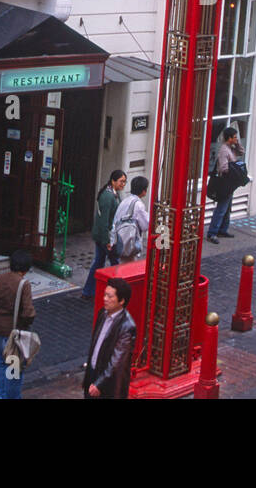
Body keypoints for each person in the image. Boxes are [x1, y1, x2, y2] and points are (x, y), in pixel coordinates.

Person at [0, 249, 36, 400]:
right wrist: (24, 324)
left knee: (1, 363)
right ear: (26, 268)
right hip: (13, 335)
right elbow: (28, 313)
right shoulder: (23, 284)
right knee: (14, 371)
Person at [83, 278, 137, 399]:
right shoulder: (102, 313)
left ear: (121, 300)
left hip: (108, 383)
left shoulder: (127, 326)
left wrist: (99, 384)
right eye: (105, 295)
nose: (105, 299)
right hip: (93, 372)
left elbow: (116, 362)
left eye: (110, 296)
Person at [82, 170, 126, 299]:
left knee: (99, 262)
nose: (123, 184)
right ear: (113, 181)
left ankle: (88, 291)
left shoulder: (113, 193)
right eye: (121, 181)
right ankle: (117, 292)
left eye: (124, 182)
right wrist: (107, 241)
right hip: (106, 237)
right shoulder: (108, 197)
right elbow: (104, 221)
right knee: (115, 263)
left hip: (105, 235)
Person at [207, 126, 245, 244]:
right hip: (225, 183)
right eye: (234, 137)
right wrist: (235, 169)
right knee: (221, 208)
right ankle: (212, 233)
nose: (236, 139)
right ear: (229, 138)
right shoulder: (224, 150)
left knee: (227, 208)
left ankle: (223, 229)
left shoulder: (231, 147)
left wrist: (237, 144)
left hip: (230, 183)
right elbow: (223, 167)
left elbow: (241, 152)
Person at [111, 175, 150, 261]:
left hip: (118, 240)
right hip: (129, 243)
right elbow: (145, 225)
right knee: (128, 266)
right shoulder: (138, 205)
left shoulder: (125, 200)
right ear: (144, 190)